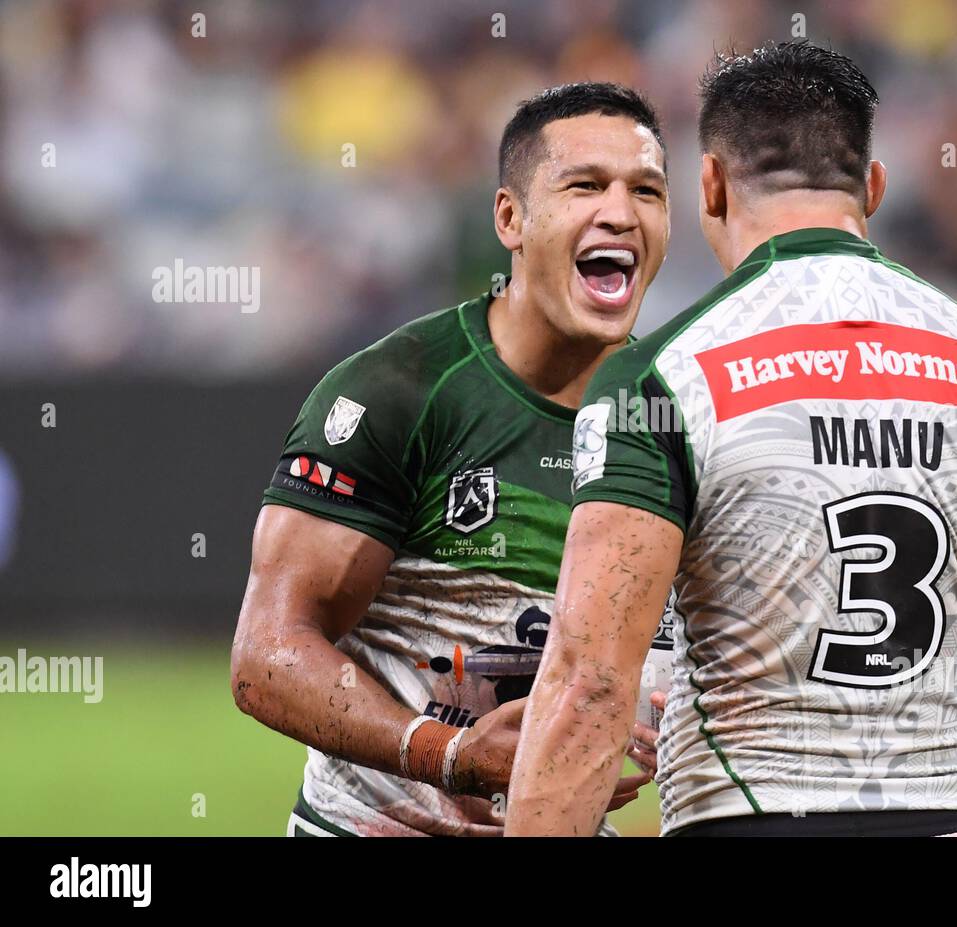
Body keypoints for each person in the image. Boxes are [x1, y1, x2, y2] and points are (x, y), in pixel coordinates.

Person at [504, 42, 957, 837]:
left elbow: (590, 684)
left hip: (749, 815)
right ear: (872, 186)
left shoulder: (659, 381)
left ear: (709, 185)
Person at [231, 82, 670, 836]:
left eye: (647, 191)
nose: (621, 212)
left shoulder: (679, 411)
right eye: (585, 186)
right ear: (511, 219)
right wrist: (449, 752)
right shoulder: (398, 391)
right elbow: (267, 655)